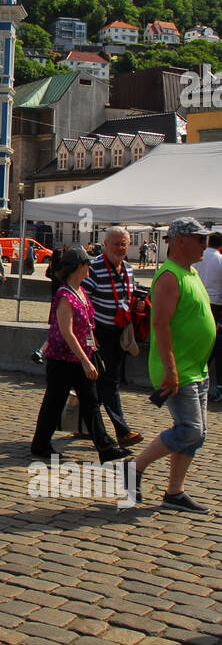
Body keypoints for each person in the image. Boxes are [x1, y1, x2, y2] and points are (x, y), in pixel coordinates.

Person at [128, 219, 216, 514]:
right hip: (179, 369)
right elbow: (160, 324)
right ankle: (134, 467)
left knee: (196, 433)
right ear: (180, 241)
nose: (205, 244)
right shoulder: (169, 275)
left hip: (196, 367)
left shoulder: (190, 272)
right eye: (199, 239)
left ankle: (174, 492)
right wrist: (170, 369)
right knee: (190, 429)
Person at [30, 246, 131, 464]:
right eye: (87, 264)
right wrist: (86, 361)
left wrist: (92, 345)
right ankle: (40, 444)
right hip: (64, 359)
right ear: (78, 267)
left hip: (79, 356)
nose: (90, 268)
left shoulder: (81, 291)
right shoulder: (65, 294)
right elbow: (66, 331)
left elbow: (86, 324)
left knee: (90, 401)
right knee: (55, 402)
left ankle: (105, 447)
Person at [83, 227, 144, 448]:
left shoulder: (128, 269)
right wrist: (89, 334)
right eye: (116, 244)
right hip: (99, 333)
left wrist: (135, 303)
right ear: (105, 244)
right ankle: (122, 430)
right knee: (110, 382)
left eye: (124, 244)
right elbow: (83, 303)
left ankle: (86, 424)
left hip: (121, 332)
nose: (120, 248)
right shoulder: (94, 268)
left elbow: (126, 295)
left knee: (103, 383)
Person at [195, 231, 222, 404]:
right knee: (216, 345)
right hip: (215, 304)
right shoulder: (219, 259)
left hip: (197, 302)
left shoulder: (198, 257)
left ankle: (196, 377)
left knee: (199, 343)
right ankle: (216, 385)